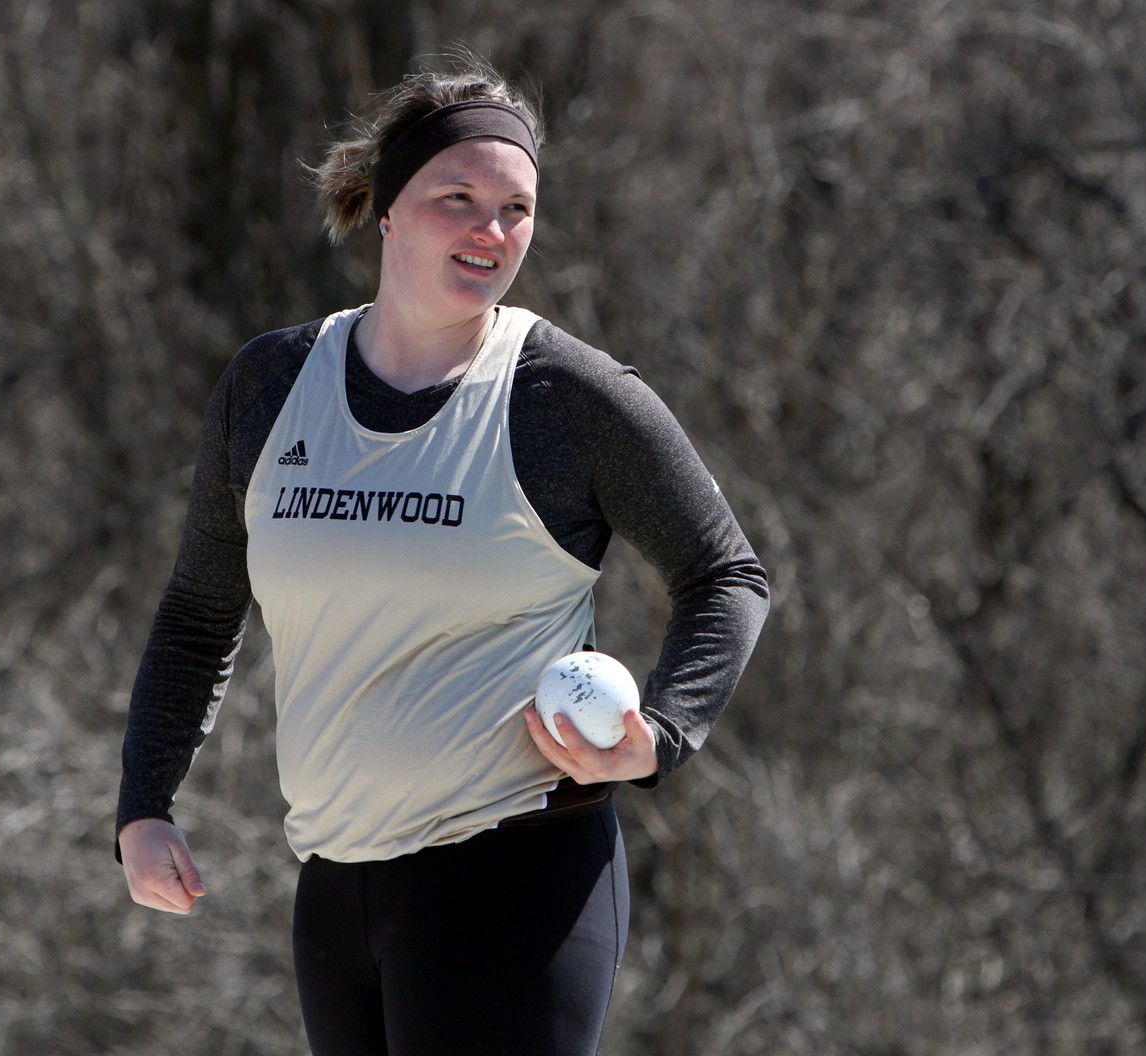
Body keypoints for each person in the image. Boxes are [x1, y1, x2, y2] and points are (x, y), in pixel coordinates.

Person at [116, 57, 769, 1056]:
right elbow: (203, 609)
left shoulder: (566, 398)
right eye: (455, 198)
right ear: (383, 209)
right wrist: (144, 805)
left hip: (515, 879)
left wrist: (661, 735)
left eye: (515, 209)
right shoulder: (271, 386)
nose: (490, 231)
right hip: (335, 888)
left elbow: (724, 576)